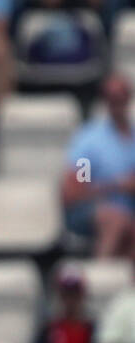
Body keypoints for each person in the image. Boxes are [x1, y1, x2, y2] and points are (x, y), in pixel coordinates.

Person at [61, 72, 135, 259]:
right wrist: (117, 185)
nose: (116, 103)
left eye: (121, 97)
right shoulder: (90, 141)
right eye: (111, 98)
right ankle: (101, 275)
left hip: (130, 210)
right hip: (90, 210)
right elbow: (76, 190)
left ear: (128, 98)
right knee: (116, 220)